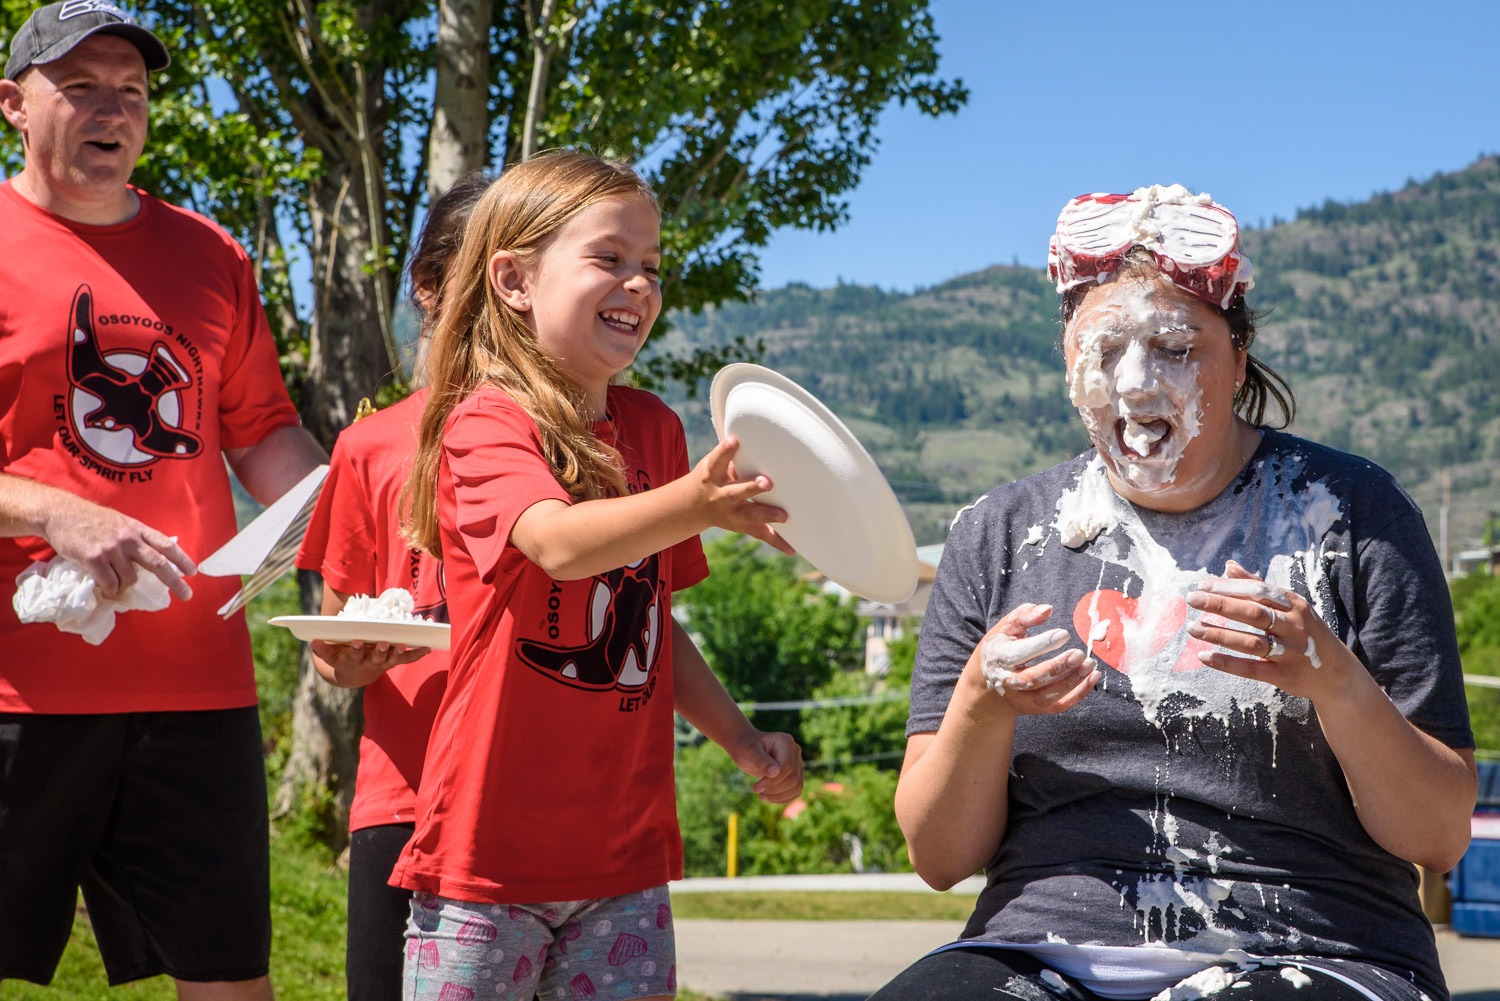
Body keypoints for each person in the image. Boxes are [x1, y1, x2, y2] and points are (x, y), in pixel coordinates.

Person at [869, 184, 1478, 1001]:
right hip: (1036, 950)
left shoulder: (1353, 516)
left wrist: (1333, 682)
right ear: (1066, 362)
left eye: (1176, 347)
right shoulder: (998, 531)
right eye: (1105, 347)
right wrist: (982, 700)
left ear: (1237, 358)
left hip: (1319, 944)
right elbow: (938, 857)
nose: (1137, 383)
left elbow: (1438, 835)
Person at [392, 149, 804, 1001]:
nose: (640, 285)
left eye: (651, 267)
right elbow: (556, 542)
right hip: (485, 860)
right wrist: (694, 503)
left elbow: (650, 626)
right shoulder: (485, 423)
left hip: (624, 860)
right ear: (512, 279)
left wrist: (738, 738)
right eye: (610, 259)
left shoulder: (654, 427)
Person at [0, 3, 326, 997]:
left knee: (229, 978)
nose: (114, 110)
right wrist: (52, 510)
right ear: (13, 104)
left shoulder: (210, 254)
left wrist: (337, 527)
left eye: (132, 92)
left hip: (200, 688)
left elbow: (265, 430)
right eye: (83, 86)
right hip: (17, 693)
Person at [295, 169, 492, 1001]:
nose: (506, 301)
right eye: (487, 277)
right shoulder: (370, 447)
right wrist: (355, 658)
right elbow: (331, 654)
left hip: (527, 808)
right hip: (402, 807)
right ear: (428, 287)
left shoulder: (578, 439)